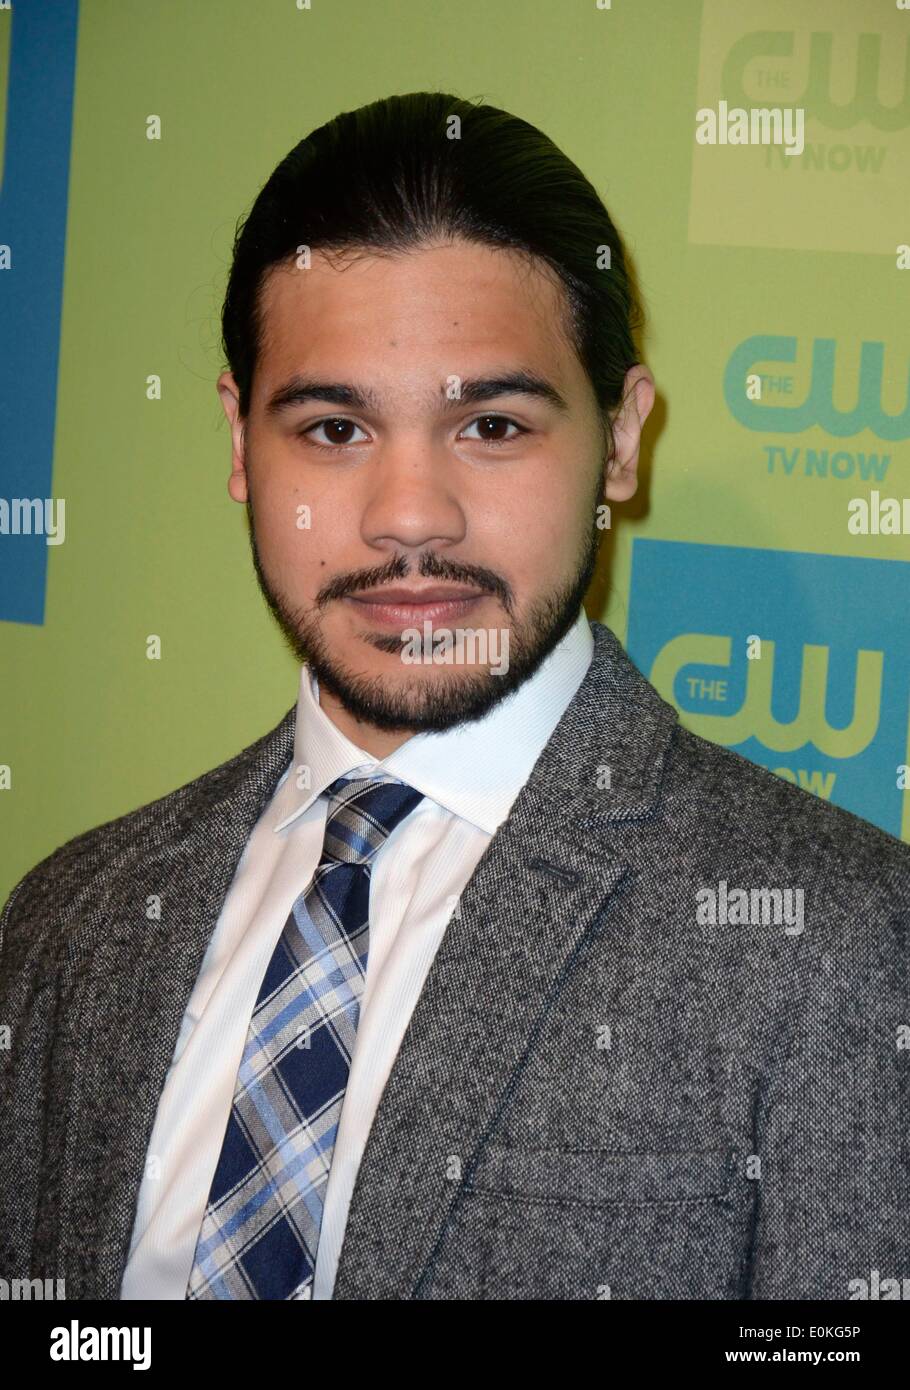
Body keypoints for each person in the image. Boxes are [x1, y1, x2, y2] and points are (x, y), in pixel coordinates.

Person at [1, 92, 907, 1302]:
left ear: (622, 438)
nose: (409, 515)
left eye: (488, 423)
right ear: (237, 442)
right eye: (332, 428)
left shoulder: (841, 939)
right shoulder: (72, 920)